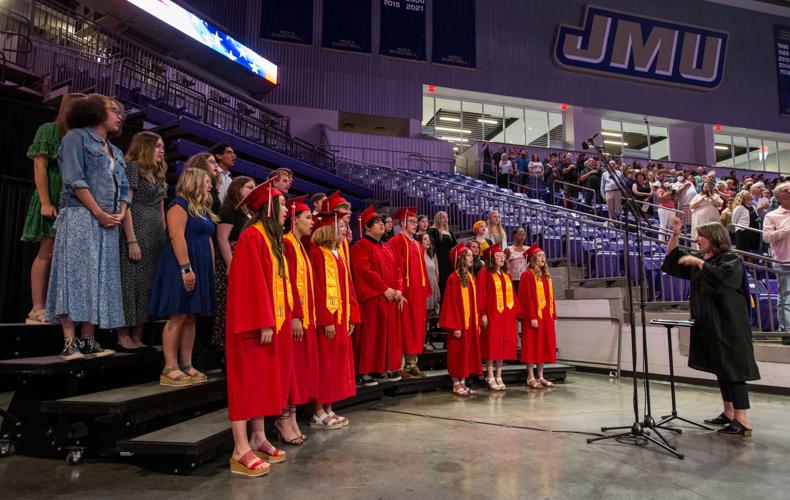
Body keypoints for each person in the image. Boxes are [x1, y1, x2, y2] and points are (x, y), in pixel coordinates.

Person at [47, 94, 129, 360]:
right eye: (113, 110)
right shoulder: (76, 137)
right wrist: (99, 212)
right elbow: (75, 179)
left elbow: (126, 189)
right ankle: (69, 342)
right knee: (75, 275)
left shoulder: (115, 151)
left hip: (108, 221)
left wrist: (119, 212)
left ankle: (88, 339)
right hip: (81, 215)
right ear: (94, 111)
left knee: (100, 278)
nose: (119, 116)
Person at [662, 218, 760, 436]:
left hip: (728, 322)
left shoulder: (730, 259)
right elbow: (672, 260)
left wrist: (699, 263)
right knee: (721, 368)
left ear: (714, 238)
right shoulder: (703, 258)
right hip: (708, 321)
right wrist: (676, 234)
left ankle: (742, 420)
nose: (696, 240)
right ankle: (728, 413)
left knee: (733, 369)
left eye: (701, 236)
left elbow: (724, 281)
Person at [224, 178, 289, 477]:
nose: (286, 210)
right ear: (269, 207)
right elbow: (252, 284)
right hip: (250, 324)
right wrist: (264, 319)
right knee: (244, 383)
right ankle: (239, 449)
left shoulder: (268, 237)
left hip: (265, 322)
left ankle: (258, 437)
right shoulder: (252, 236)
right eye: (283, 205)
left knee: (260, 382)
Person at [148, 168, 217, 386]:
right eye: (206, 181)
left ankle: (186, 364)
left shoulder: (203, 211)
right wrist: (186, 268)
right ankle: (170, 367)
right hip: (181, 265)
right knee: (178, 314)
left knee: (191, 316)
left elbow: (208, 241)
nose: (210, 186)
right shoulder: (179, 204)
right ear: (194, 182)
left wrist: (211, 271)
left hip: (201, 266)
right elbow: (176, 236)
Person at [21, 93, 84, 324]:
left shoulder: (79, 137)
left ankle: (57, 307)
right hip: (52, 197)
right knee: (46, 250)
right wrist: (46, 202)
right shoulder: (50, 130)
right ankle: (37, 306)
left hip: (71, 201)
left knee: (63, 256)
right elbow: (40, 165)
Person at [117, 131, 168, 352]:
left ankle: (138, 334)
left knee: (147, 284)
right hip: (136, 229)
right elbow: (125, 206)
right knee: (131, 283)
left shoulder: (158, 175)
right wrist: (131, 240)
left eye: (163, 146)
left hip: (155, 234)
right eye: (157, 146)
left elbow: (161, 211)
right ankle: (123, 334)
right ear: (146, 147)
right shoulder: (133, 168)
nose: (162, 150)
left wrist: (165, 238)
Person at [310, 213, 359, 428]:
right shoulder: (318, 254)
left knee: (335, 365)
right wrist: (326, 320)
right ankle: (318, 411)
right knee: (325, 365)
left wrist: (351, 316)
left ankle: (329, 408)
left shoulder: (337, 253)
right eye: (340, 226)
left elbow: (348, 287)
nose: (344, 230)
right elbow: (318, 289)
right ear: (329, 228)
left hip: (341, 317)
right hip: (329, 319)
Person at [350, 205, 404, 385]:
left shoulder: (387, 247)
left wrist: (398, 290)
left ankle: (382, 368)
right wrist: (384, 289)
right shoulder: (360, 247)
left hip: (389, 298)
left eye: (382, 222)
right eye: (376, 223)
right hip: (372, 299)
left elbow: (398, 271)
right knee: (370, 336)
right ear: (367, 227)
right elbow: (365, 272)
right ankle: (365, 371)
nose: (381, 225)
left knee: (387, 336)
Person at [283, 195, 319, 442]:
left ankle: (292, 417)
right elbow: (287, 284)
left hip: (306, 318)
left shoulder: (300, 246)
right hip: (293, 319)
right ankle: (283, 419)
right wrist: (296, 315)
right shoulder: (286, 243)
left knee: (298, 371)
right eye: (307, 218)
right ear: (294, 220)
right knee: (290, 371)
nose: (312, 222)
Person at [388, 207, 431, 378]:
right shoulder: (396, 242)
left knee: (416, 329)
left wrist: (425, 291)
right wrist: (399, 291)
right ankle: (400, 365)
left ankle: (413, 363)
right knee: (403, 329)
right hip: (404, 294)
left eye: (415, 222)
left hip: (418, 294)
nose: (415, 224)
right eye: (412, 222)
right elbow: (394, 269)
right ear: (403, 223)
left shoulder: (417, 244)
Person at [213, 176, 255, 349]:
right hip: (231, 260)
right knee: (227, 304)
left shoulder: (250, 211)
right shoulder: (230, 208)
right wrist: (231, 264)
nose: (252, 190)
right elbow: (222, 238)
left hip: (246, 260)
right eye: (249, 187)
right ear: (237, 189)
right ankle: (223, 346)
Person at [439, 244, 482, 397]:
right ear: (462, 259)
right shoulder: (453, 278)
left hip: (470, 323)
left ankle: (463, 381)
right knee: (456, 353)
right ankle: (455, 382)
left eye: (472, 255)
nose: (472, 258)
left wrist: (476, 321)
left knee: (466, 352)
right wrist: (456, 326)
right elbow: (451, 304)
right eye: (469, 256)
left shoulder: (471, 277)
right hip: (458, 324)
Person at [477, 244, 520, 391]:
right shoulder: (484, 273)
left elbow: (513, 296)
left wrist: (514, 313)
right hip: (492, 315)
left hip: (506, 316)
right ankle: (490, 375)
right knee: (492, 344)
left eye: (503, 255)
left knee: (502, 344)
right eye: (498, 255)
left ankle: (499, 375)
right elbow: (481, 294)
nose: (502, 257)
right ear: (491, 258)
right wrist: (482, 313)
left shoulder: (506, 275)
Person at [518, 244, 557, 389]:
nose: (543, 258)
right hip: (533, 317)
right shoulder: (527, 275)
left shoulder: (546, 276)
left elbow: (551, 298)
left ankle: (540, 376)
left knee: (543, 345)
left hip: (546, 316)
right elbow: (525, 298)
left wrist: (553, 315)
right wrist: (532, 316)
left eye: (544, 256)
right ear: (533, 259)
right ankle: (530, 377)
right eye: (540, 256)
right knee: (532, 346)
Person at [762, 182, 790, 332]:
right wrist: (787, 230)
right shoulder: (771, 216)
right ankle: (786, 331)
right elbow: (767, 237)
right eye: (786, 190)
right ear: (778, 197)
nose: (789, 192)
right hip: (783, 261)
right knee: (786, 298)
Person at [418, 232, 440, 351]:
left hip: (432, 288)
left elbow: (435, 274)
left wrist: (437, 291)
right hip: (423, 290)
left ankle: (423, 342)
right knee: (421, 319)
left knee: (426, 320)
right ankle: (418, 343)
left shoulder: (431, 255)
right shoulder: (418, 254)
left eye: (428, 239)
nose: (428, 241)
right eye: (425, 239)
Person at [428, 211, 456, 296]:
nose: (446, 219)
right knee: (441, 281)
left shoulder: (449, 232)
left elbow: (454, 245)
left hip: (449, 259)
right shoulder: (433, 231)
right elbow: (432, 246)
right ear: (438, 219)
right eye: (443, 217)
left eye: (447, 217)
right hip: (439, 258)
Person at [505, 228, 528, 294]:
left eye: (524, 235)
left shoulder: (528, 249)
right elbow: (504, 264)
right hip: (513, 279)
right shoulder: (509, 249)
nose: (522, 237)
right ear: (515, 235)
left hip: (525, 279)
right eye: (520, 235)